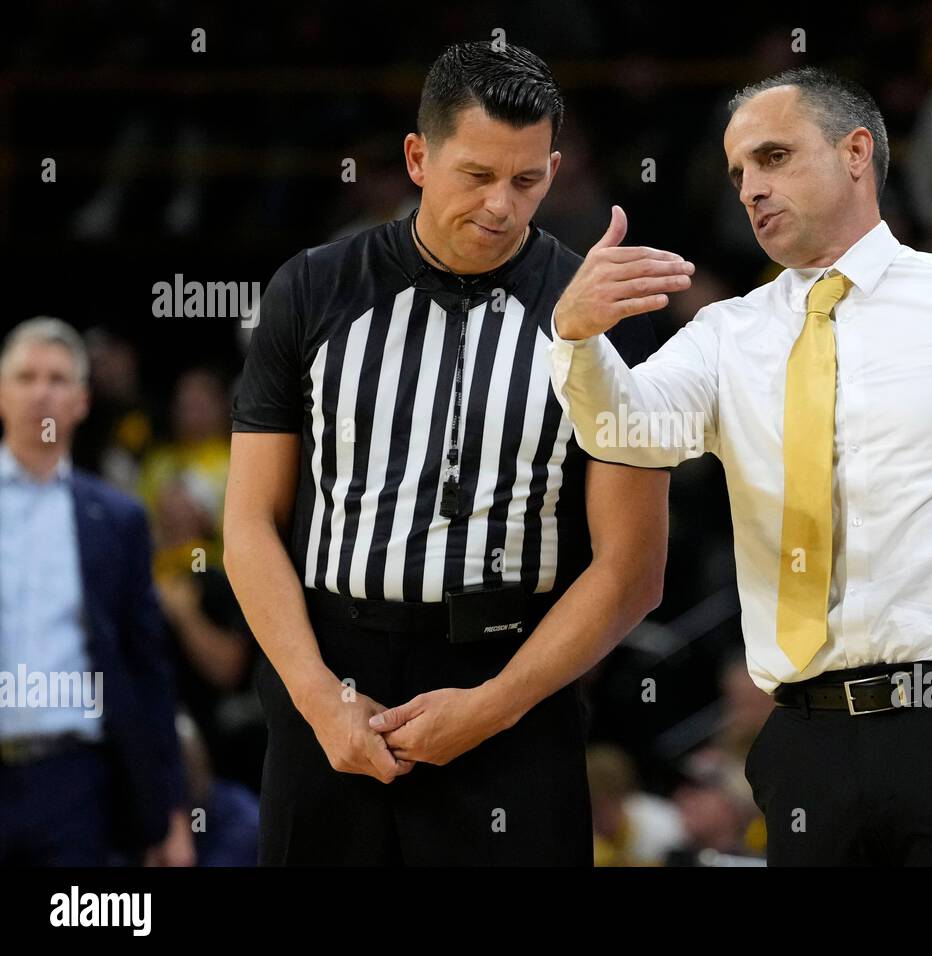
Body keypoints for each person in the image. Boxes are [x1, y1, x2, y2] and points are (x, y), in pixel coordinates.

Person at [549, 66, 932, 866]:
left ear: (855, 153)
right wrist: (577, 340)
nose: (750, 189)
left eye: (773, 157)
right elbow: (626, 430)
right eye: (739, 171)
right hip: (806, 743)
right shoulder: (725, 333)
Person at [224, 41, 668, 865]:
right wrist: (320, 700)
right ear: (418, 158)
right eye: (477, 175)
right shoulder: (314, 287)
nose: (502, 205)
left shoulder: (600, 312)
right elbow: (249, 522)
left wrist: (494, 706)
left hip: (514, 678)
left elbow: (633, 571)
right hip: (330, 672)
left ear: (556, 167)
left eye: (527, 180)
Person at [0, 317, 190, 866]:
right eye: (26, 376)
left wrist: (171, 809)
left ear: (82, 400)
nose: (41, 391)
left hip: (77, 779)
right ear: (2, 391)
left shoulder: (117, 518)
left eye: (58, 379)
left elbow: (147, 668)